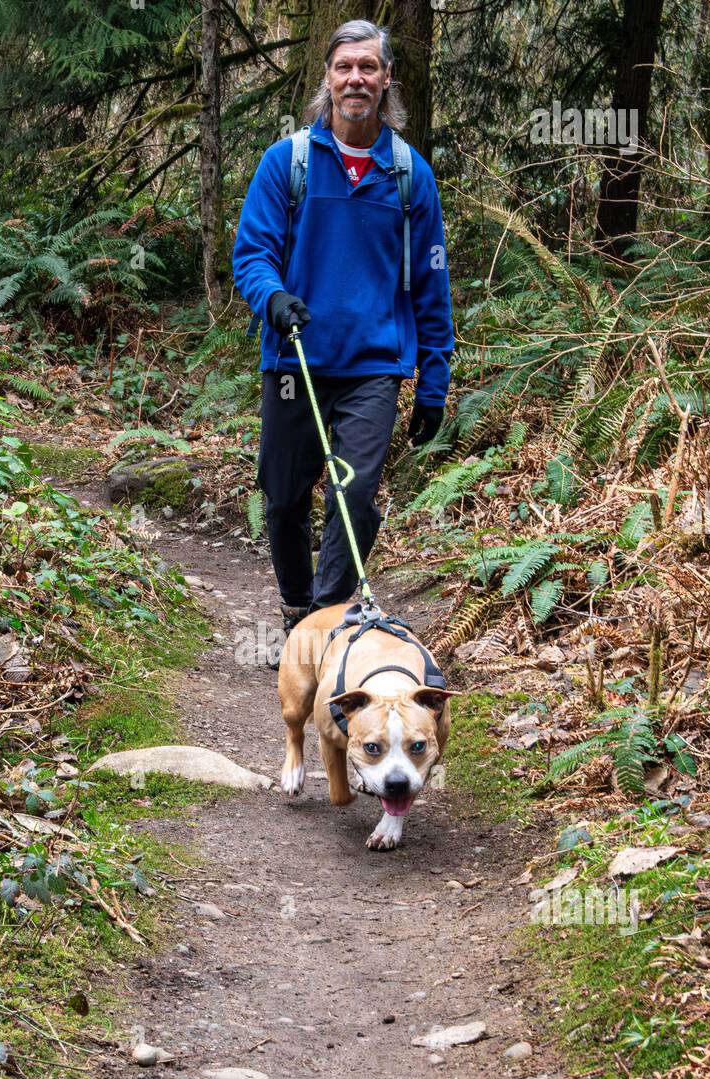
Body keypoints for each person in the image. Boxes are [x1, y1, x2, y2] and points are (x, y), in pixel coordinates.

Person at [232, 18, 455, 661]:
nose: (355, 78)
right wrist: (271, 297)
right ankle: (296, 609)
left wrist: (432, 381)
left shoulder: (410, 175)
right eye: (343, 67)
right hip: (292, 359)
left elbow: (430, 287)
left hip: (373, 369)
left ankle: (325, 627)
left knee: (354, 494)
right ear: (327, 79)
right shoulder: (289, 162)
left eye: (369, 67)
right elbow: (253, 252)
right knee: (282, 500)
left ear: (386, 81)